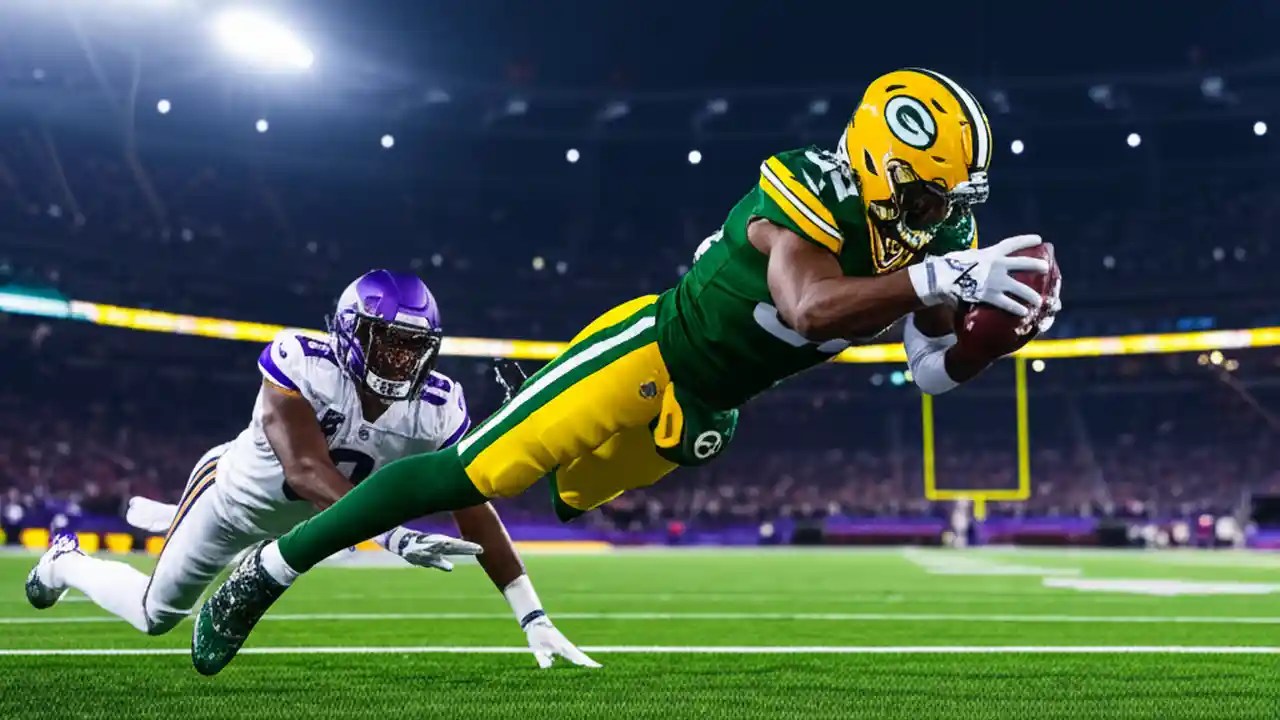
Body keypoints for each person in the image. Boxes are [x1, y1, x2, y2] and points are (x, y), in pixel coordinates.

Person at [192, 68, 1061, 674]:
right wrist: (944, 276)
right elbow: (806, 308)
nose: (940, 220)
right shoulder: (807, 184)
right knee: (476, 472)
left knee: (569, 497)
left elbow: (928, 374)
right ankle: (265, 574)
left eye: (951, 208)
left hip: (711, 409)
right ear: (879, 163)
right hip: (650, 351)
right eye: (926, 198)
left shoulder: (936, 234)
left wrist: (991, 338)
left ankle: (531, 411)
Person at [24, 270, 595, 669]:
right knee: (154, 617)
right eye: (386, 342)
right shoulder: (302, 362)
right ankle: (66, 562)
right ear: (348, 331)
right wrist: (392, 535)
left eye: (411, 347)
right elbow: (303, 471)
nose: (398, 359)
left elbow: (475, 506)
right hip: (230, 502)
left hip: (301, 524)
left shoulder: (438, 406)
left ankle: (165, 522)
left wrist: (532, 615)